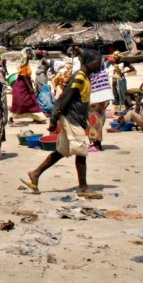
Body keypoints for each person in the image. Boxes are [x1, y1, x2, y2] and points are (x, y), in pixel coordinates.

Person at [20, 49, 102, 197]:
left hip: (77, 118)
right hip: (72, 118)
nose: (100, 66)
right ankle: (83, 188)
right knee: (80, 150)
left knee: (62, 150)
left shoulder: (85, 77)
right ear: (88, 63)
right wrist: (53, 119)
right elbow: (63, 98)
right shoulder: (79, 78)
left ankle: (36, 174)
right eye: (97, 63)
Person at [10, 47, 48, 125]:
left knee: (31, 102)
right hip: (22, 85)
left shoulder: (26, 63)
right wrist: (30, 88)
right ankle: (12, 117)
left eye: (30, 53)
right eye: (28, 53)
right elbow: (23, 77)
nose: (30, 55)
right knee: (21, 103)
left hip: (25, 84)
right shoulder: (23, 63)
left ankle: (36, 117)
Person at [86, 62, 112, 152]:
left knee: (95, 123)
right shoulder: (103, 73)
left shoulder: (94, 75)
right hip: (100, 101)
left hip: (95, 101)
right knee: (95, 122)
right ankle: (95, 143)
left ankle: (97, 145)